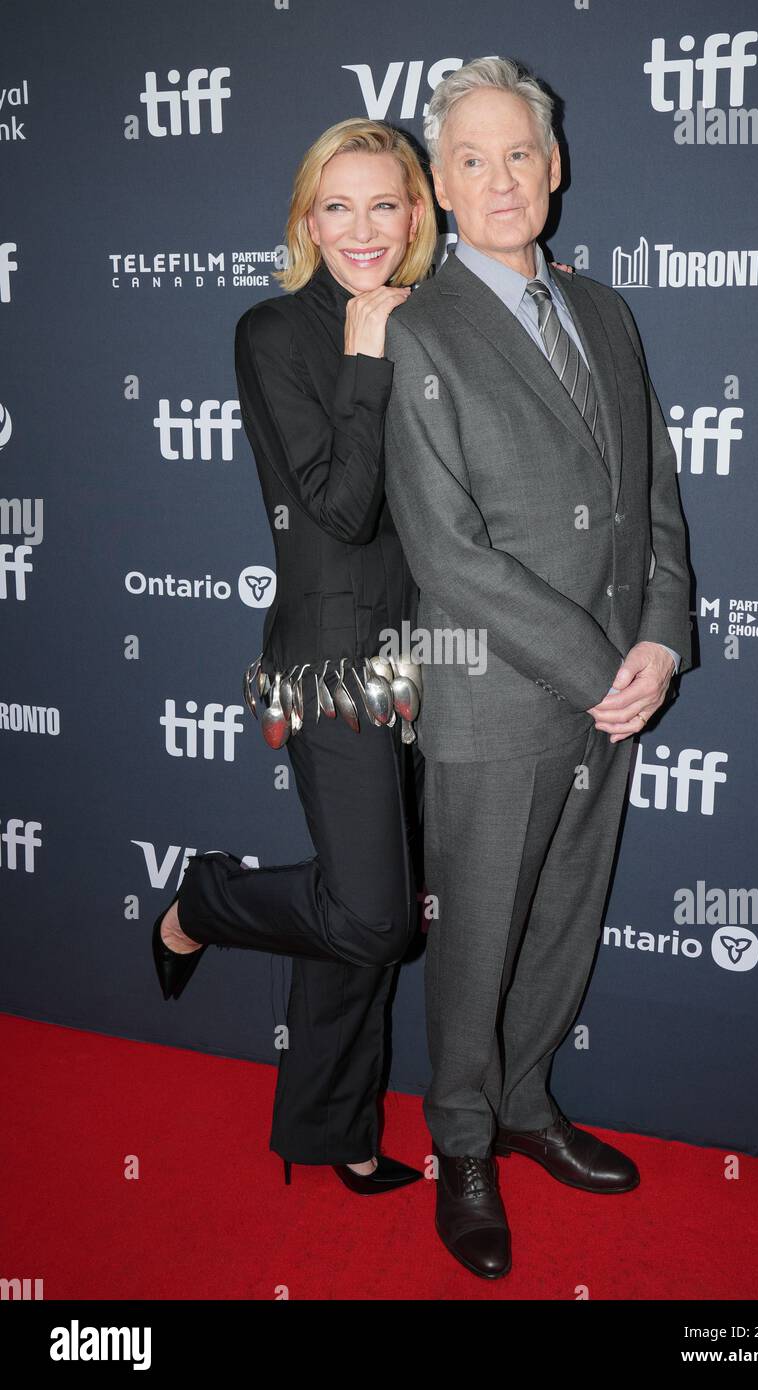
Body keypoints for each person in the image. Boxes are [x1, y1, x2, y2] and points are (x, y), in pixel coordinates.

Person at [382, 58, 692, 1274]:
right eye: (472, 159)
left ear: (553, 167)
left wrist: (658, 637)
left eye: (520, 153)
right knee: (475, 936)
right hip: (496, 698)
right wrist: (603, 664)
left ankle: (522, 1101)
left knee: (563, 917)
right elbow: (448, 555)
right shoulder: (420, 330)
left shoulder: (605, 310)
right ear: (440, 189)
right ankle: (458, 1140)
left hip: (611, 691)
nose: (501, 179)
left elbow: (654, 501)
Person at [151, 118, 437, 1195]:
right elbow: (343, 507)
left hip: (423, 657)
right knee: (372, 911)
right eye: (336, 205)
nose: (360, 229)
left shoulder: (431, 323)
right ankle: (204, 902)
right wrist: (367, 353)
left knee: (362, 909)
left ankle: (331, 1133)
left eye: (382, 205)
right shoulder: (275, 331)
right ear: (305, 219)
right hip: (332, 659)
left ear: (414, 215)